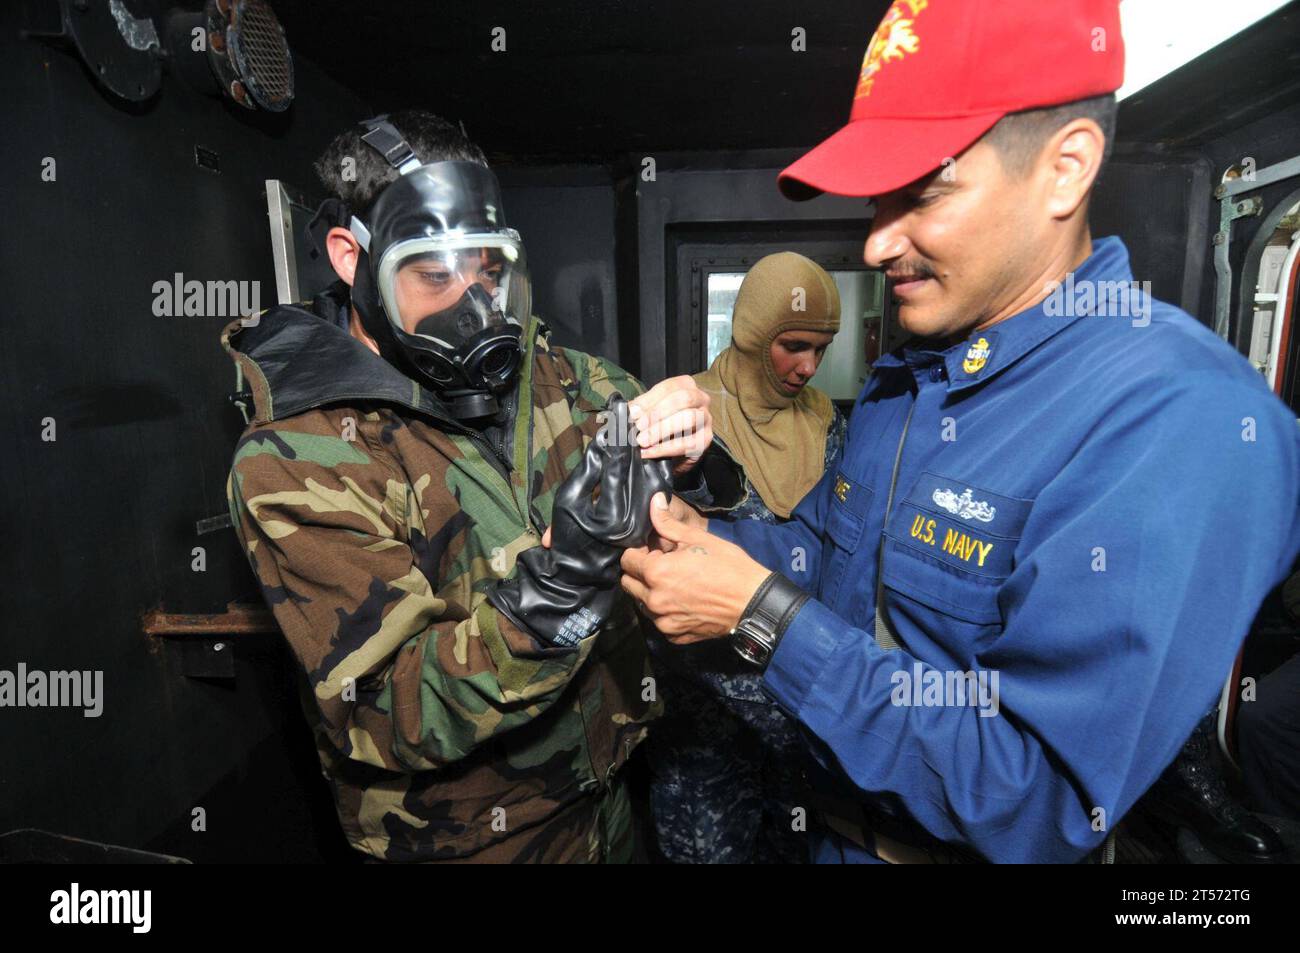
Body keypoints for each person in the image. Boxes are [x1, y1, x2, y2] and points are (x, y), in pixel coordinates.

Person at [618, 0, 1300, 863]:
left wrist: (758, 618)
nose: (875, 243)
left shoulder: (1173, 417)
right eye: (876, 200)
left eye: (923, 192)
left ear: (1066, 169)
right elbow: (828, 554)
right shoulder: (916, 378)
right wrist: (703, 536)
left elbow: (1037, 795)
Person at [222, 111, 715, 863]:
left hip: (605, 791)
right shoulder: (295, 458)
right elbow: (388, 706)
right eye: (435, 272)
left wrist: (693, 459)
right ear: (353, 258)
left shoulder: (556, 374)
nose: (474, 305)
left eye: (487, 268)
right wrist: (565, 582)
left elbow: (666, 476)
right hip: (465, 843)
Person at [648, 252, 846, 863]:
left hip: (798, 700)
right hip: (707, 712)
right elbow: (661, 548)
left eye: (821, 348)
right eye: (792, 345)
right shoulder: (685, 417)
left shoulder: (826, 420)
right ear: (754, 334)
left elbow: (832, 548)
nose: (807, 367)